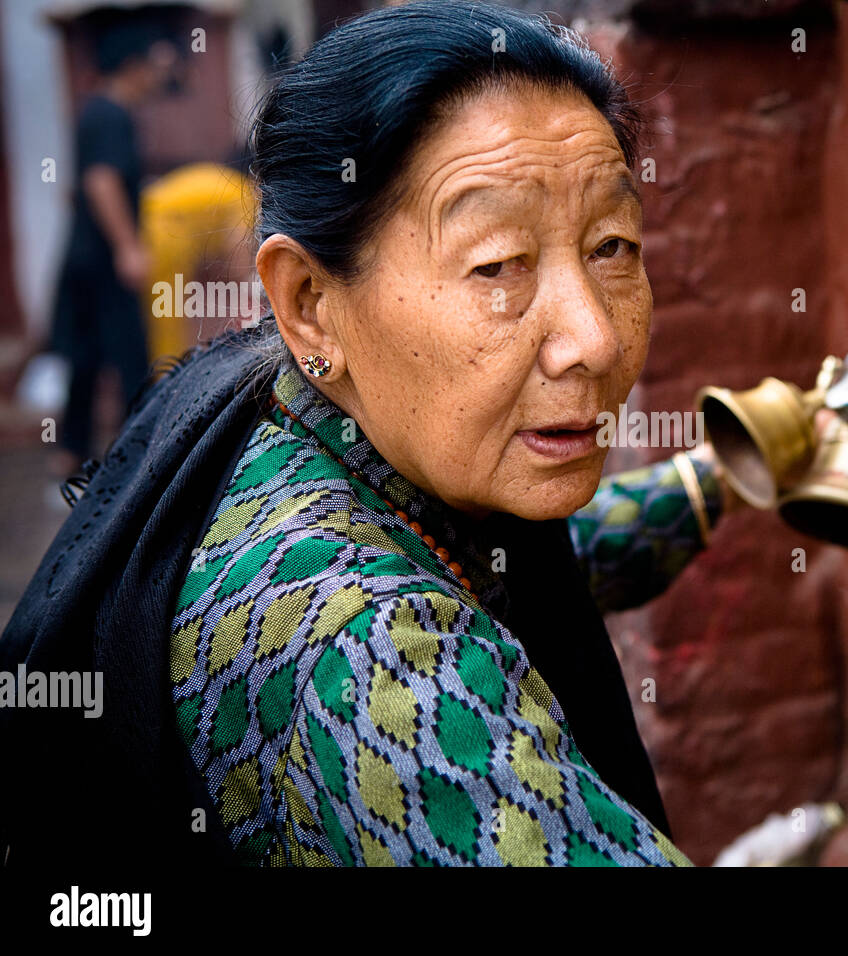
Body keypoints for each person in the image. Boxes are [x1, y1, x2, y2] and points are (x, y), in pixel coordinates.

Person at [2, 0, 772, 867]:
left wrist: (736, 467)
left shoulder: (294, 408)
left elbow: (544, 561)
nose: (593, 338)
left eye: (612, 247)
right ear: (309, 302)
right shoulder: (384, 663)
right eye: (499, 265)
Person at [46, 18, 177, 481]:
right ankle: (133, 465)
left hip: (82, 257)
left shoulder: (93, 111)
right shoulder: (111, 114)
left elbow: (81, 187)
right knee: (127, 357)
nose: (156, 78)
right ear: (131, 66)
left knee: (83, 359)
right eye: (151, 67)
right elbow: (101, 182)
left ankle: (70, 460)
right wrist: (127, 247)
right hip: (103, 262)